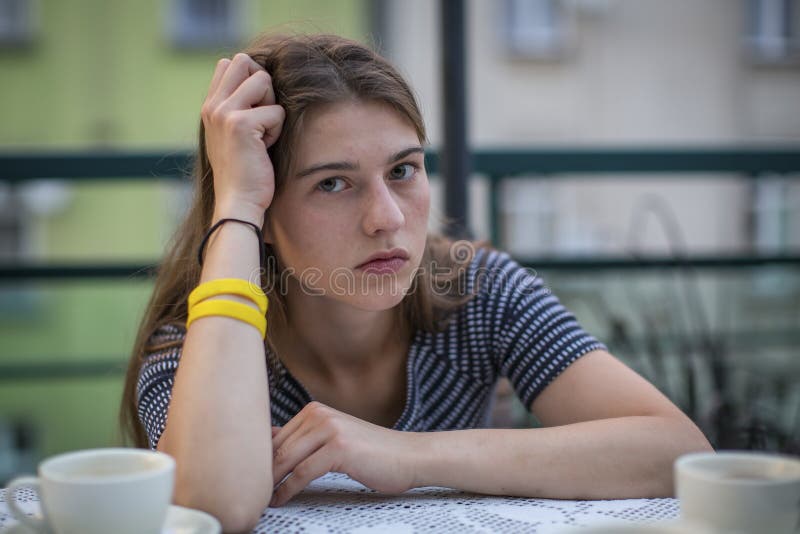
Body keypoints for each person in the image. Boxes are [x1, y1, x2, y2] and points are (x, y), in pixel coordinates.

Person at [119, 33, 712, 533]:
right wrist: (238, 205)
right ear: (266, 214)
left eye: (403, 170)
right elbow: (210, 506)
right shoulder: (200, 347)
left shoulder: (481, 291)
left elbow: (678, 452)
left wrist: (405, 455)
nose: (388, 218)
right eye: (333, 183)